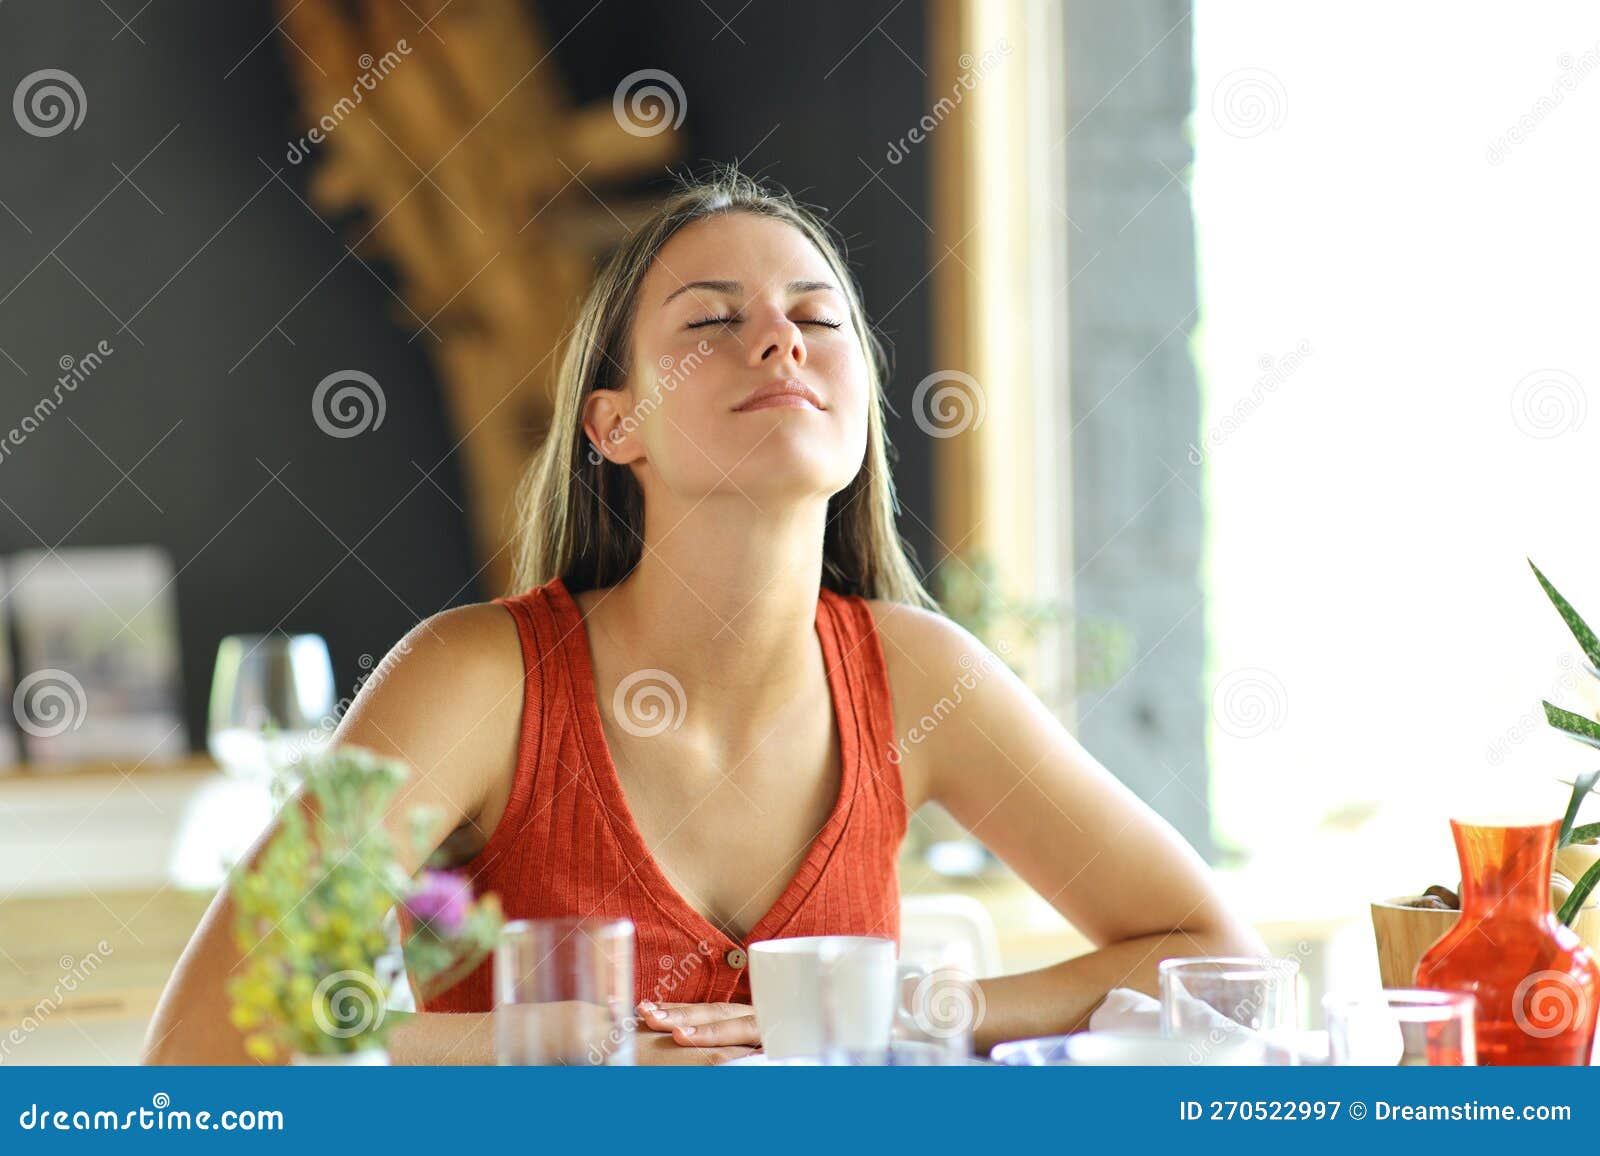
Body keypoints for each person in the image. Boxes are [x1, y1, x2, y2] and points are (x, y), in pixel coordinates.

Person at [143, 169, 1262, 1066]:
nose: (779, 341)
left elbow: (1216, 958)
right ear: (616, 423)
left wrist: (909, 1010)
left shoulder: (921, 678)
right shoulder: (477, 679)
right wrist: (569, 1046)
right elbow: (201, 1047)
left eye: (816, 319)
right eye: (712, 321)